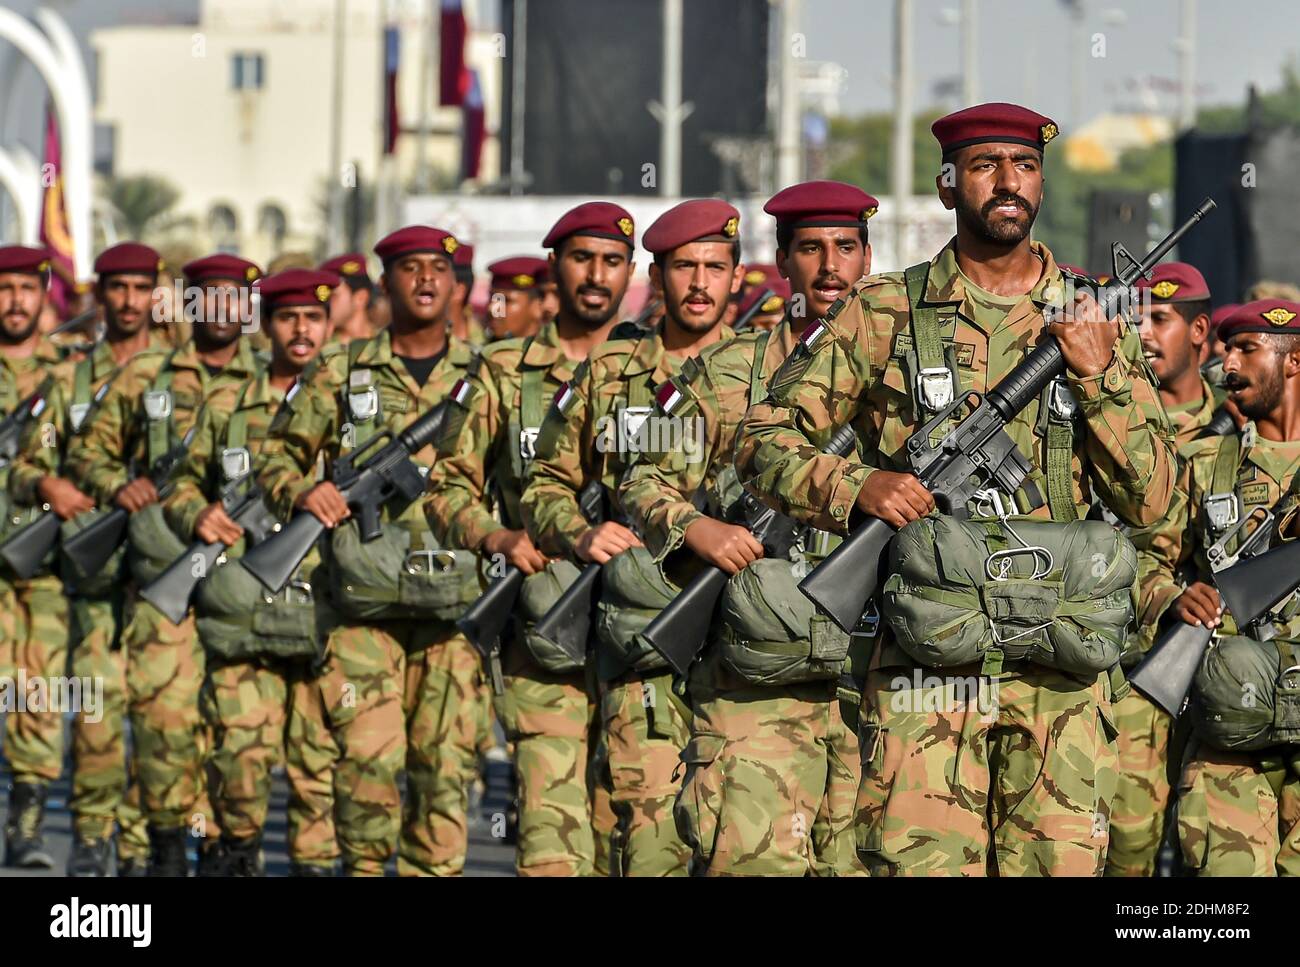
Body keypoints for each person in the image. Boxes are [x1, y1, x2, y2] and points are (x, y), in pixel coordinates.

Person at [735, 102, 1177, 876]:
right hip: (924, 677)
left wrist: (1101, 376)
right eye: (985, 166)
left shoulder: (1093, 319)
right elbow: (761, 437)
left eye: (1025, 166)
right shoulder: (887, 310)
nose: (1008, 182)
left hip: (1059, 673)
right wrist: (859, 484)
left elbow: (1152, 501)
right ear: (947, 188)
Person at [621, 181, 877, 875]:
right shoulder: (727, 371)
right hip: (755, 684)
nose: (830, 267)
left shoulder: (901, 371)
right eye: (811, 250)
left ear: (868, 258)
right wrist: (696, 528)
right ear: (781, 263)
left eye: (846, 248)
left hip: (876, 679)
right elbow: (644, 480)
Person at [256, 226, 485, 876]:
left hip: (454, 610)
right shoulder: (340, 368)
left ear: (455, 282)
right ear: (383, 282)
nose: (424, 281)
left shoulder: (484, 371)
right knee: (367, 770)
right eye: (409, 269)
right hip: (359, 609)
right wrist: (306, 493)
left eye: (437, 268)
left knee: (444, 774)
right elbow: (275, 455)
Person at [521, 199, 741, 875]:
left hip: (745, 648)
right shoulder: (611, 375)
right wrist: (581, 533)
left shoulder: (774, 376)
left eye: (715, 267)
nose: (700, 283)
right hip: (642, 643)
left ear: (737, 276)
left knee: (746, 844)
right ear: (656, 274)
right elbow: (544, 484)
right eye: (684, 267)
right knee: (651, 842)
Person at [425, 201, 637, 876]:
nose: (596, 275)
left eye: (611, 261)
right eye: (581, 259)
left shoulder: (654, 368)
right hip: (543, 630)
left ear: (630, 271)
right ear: (555, 267)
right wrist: (497, 536)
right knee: (551, 827)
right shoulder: (502, 370)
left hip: (642, 630)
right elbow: (446, 487)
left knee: (631, 826)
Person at [67, 252, 265, 875]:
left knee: (235, 731)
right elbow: (87, 455)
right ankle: (160, 847)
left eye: (236, 297)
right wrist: (115, 485)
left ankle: (226, 845)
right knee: (164, 724)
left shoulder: (276, 382)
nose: (224, 308)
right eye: (211, 296)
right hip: (163, 578)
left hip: (244, 580)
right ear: (190, 304)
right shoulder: (148, 378)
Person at [161, 268, 339, 875]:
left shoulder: (349, 398)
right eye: (288, 317)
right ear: (267, 326)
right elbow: (181, 481)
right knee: (238, 750)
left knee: (317, 762)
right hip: (244, 606)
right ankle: (233, 852)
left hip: (323, 609)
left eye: (314, 318)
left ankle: (313, 865)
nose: (301, 330)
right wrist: (198, 513)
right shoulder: (230, 402)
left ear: (329, 325)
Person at [7, 242, 167, 876]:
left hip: (166, 563)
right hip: (88, 565)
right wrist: (52, 485)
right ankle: (91, 839)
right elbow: (34, 462)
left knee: (167, 715)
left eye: (140, 288)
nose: (128, 302)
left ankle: (141, 843)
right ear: (98, 296)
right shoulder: (68, 376)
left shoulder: (184, 375)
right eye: (116, 289)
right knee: (93, 705)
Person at [1134, 300, 1300, 876]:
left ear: (1294, 359)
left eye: (1247, 349)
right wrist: (1171, 597)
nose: (1226, 362)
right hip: (1231, 737)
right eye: (1226, 349)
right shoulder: (1201, 461)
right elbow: (1144, 559)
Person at [1106, 261, 1220, 877]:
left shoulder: (1241, 426)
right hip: (1137, 663)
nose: (1143, 333)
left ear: (1200, 332)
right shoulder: (1109, 424)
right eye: (1135, 317)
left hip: (1227, 668)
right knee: (1127, 845)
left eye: (1160, 319)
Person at [0, 245, 69, 869]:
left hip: (44, 561)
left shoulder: (69, 372)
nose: (15, 300)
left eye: (26, 287)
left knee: (38, 691)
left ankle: (25, 822)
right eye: (4, 288)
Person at [485, 257, 548, 342]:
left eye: (506, 300)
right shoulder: (482, 353)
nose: (492, 308)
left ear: (537, 306)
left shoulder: (558, 354)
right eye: (492, 298)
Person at [318, 253, 374, 345]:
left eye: (331, 296)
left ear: (361, 298)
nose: (323, 302)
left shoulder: (389, 342)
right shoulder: (318, 348)